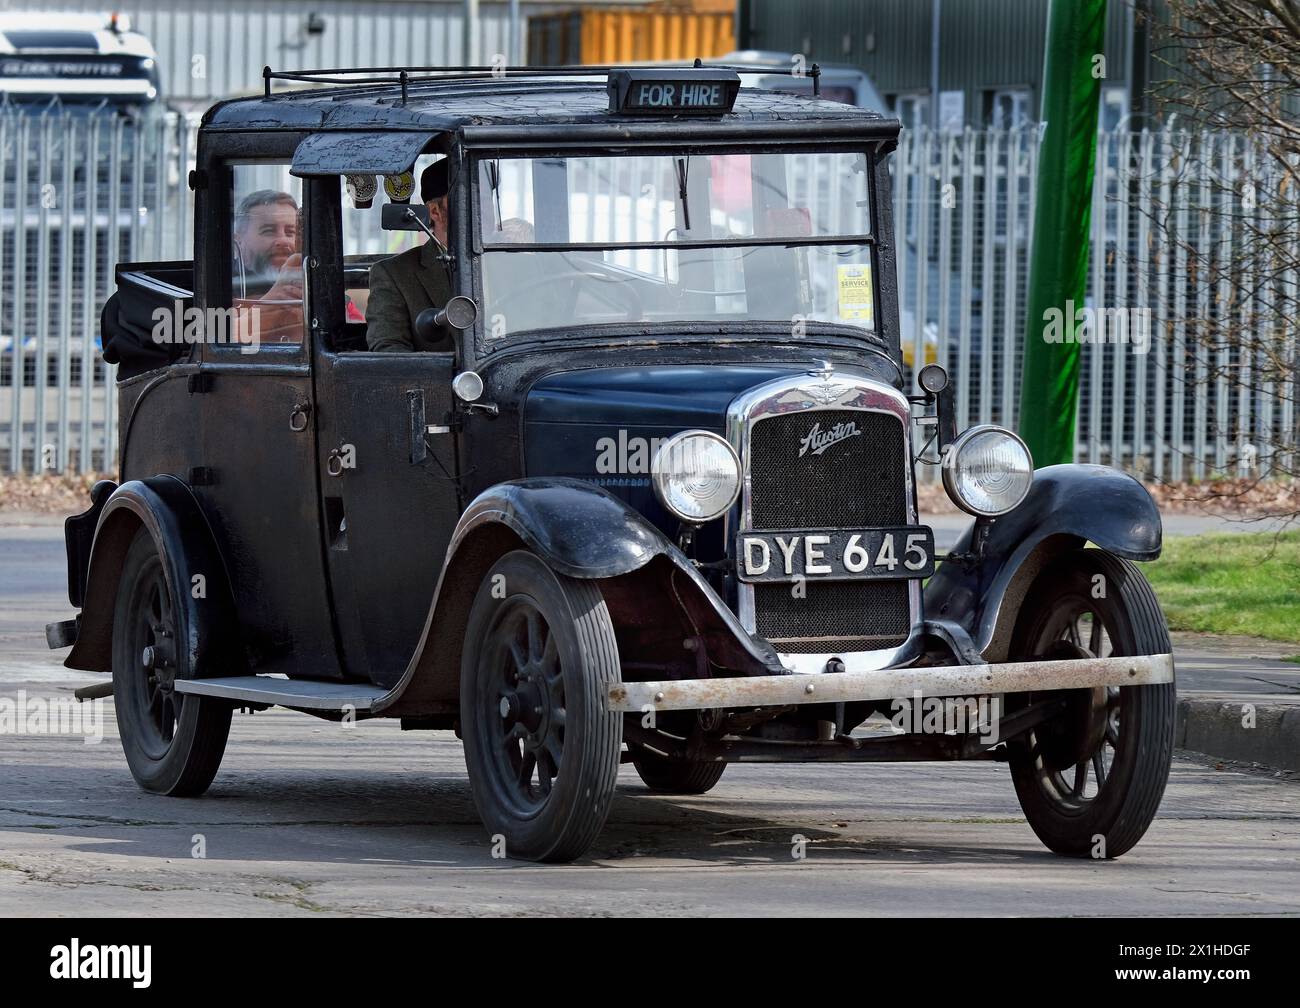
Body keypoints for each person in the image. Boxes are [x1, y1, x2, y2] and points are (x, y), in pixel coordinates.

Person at [366, 159, 454, 352]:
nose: (484, 209)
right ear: (435, 211)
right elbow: (389, 349)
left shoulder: (514, 264)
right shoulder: (394, 274)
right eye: (470, 200)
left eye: (487, 199)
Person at [231, 189, 304, 345]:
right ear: (239, 241)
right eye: (268, 231)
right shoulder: (218, 289)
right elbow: (216, 343)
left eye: (290, 232)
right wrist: (277, 298)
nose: (283, 241)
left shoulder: (309, 283)